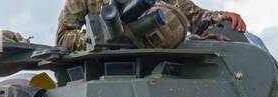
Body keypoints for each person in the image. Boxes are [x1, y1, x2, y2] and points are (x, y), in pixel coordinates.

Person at [56, 0, 246, 51]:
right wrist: (97, 37)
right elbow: (63, 37)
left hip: (157, 56)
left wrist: (217, 17)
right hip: (107, 66)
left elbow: (189, 13)